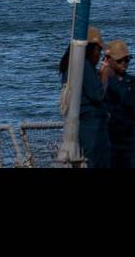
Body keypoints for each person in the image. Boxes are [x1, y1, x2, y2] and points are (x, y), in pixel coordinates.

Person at [58, 26, 111, 168]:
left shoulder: (71, 65)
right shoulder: (84, 65)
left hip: (80, 122)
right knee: (96, 161)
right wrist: (104, 75)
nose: (99, 55)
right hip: (91, 124)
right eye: (98, 50)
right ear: (91, 48)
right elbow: (97, 94)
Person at [102, 39, 135, 168]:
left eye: (127, 59)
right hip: (109, 139)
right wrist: (103, 77)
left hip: (130, 139)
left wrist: (113, 79)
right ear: (108, 60)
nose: (124, 63)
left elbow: (130, 101)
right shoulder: (100, 81)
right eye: (120, 60)